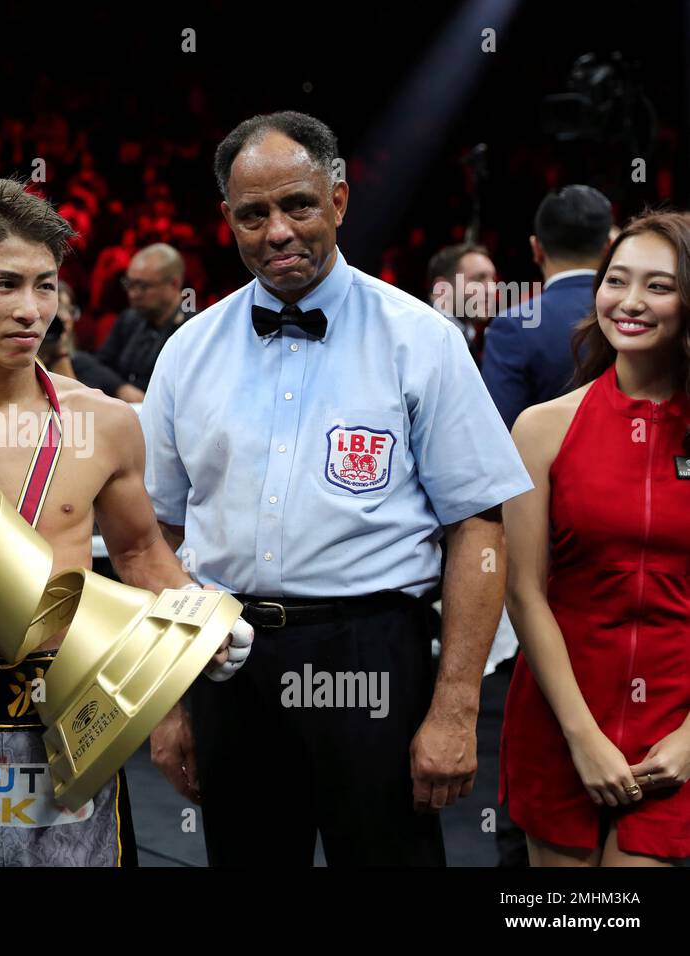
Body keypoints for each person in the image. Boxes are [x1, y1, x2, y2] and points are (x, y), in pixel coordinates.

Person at [141, 110, 534, 866]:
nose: (278, 230)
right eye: (253, 214)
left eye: (298, 205)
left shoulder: (421, 340)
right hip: (227, 657)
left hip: (372, 653)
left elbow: (480, 526)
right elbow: (156, 535)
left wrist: (456, 708)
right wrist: (166, 703)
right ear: (228, 220)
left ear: (340, 201)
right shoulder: (188, 352)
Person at [0, 177, 252, 867]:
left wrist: (199, 620)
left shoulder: (108, 424)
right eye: (4, 284)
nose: (32, 310)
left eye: (46, 285)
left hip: (68, 717)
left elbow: (143, 555)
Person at [500, 211, 690, 866]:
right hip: (560, 715)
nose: (631, 302)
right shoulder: (541, 428)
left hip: (675, 723)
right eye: (617, 280)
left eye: (659, 286)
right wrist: (581, 735)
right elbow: (524, 595)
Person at [482, 185, 614, 428]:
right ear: (608, 247)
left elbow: (498, 434)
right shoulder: (634, 315)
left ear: (536, 248)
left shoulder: (513, 326)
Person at [96, 243, 190, 397]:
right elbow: (98, 366)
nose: (133, 294)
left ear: (174, 284)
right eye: (129, 284)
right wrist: (121, 388)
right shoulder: (129, 320)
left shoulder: (192, 329)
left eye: (143, 286)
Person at [427, 241, 498, 364]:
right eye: (478, 279)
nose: (492, 289)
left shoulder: (469, 339)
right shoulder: (419, 335)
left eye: (493, 280)